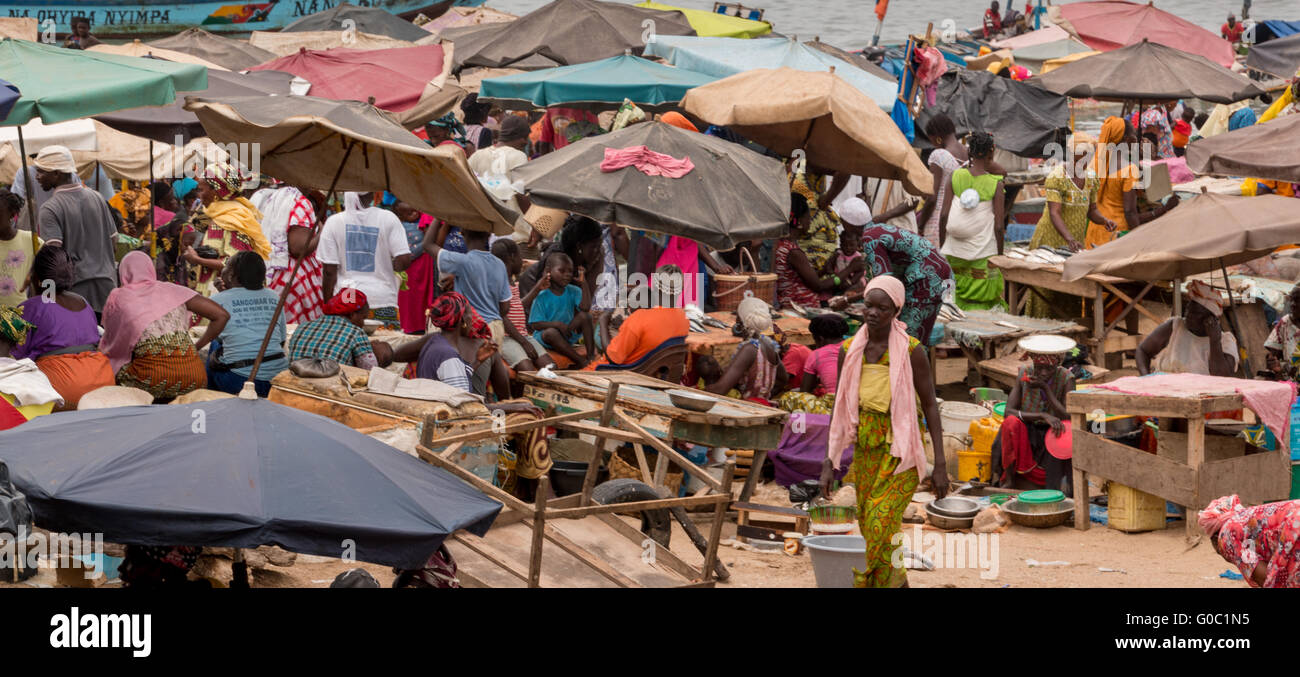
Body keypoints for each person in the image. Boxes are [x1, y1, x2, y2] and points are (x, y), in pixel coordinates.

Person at [822, 276, 947, 588]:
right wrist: (829, 462)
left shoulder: (911, 351)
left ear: (896, 311)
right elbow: (838, 408)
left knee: (879, 522)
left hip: (901, 450)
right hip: (867, 448)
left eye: (883, 307)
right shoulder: (849, 350)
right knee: (873, 526)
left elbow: (930, 405)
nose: (873, 312)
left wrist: (940, 464)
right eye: (869, 305)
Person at [99, 251, 229, 402]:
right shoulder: (173, 290)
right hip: (194, 376)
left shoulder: (119, 297)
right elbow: (222, 315)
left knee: (111, 374)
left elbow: (113, 346)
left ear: (123, 273)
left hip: (151, 379)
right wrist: (196, 347)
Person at [834, 199, 953, 345]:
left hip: (926, 278)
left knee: (908, 339)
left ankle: (911, 365)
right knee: (920, 333)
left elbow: (884, 284)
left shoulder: (869, 238)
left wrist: (847, 300)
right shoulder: (878, 229)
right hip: (941, 275)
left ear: (848, 223)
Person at [10, 246, 114, 410]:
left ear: (36, 277)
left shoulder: (29, 308)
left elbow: (11, 357)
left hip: (64, 389)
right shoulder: (83, 303)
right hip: (103, 382)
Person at [34, 145, 119, 316]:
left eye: (41, 172)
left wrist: (47, 298)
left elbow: (54, 261)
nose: (37, 177)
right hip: (108, 290)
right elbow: (114, 242)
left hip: (74, 296)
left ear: (56, 173)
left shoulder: (50, 208)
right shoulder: (97, 197)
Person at [991, 336, 1076, 494]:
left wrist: (1046, 389)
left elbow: (1069, 416)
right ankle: (1009, 480)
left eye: (1048, 369)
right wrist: (1042, 415)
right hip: (1029, 427)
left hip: (1055, 429)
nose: (1043, 372)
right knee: (1010, 423)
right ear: (1034, 363)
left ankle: (1057, 487)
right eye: (1039, 367)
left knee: (1068, 434)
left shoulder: (1066, 378)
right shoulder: (1024, 373)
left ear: (1057, 365)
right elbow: (1008, 411)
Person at [318, 191, 411, 330]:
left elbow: (329, 271)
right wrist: (386, 263)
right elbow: (403, 261)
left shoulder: (334, 222)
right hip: (382, 298)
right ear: (371, 195)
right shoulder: (389, 218)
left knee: (349, 348)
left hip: (347, 301)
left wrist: (328, 305)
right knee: (387, 346)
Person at [1086, 117, 1178, 249]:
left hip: (1095, 229)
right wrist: (1164, 209)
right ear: (1126, 139)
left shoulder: (1096, 164)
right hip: (1117, 233)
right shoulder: (1129, 169)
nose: (1136, 139)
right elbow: (1130, 212)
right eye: (1134, 135)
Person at [207, 252, 288, 397]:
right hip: (276, 377)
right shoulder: (273, 296)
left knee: (215, 345)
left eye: (226, 267)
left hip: (240, 379)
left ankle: (211, 395)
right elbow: (281, 341)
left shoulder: (217, 299)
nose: (222, 271)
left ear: (231, 276)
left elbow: (219, 335)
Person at [185, 163, 272, 298]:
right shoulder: (216, 215)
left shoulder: (233, 219)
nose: (199, 195)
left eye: (201, 190)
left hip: (227, 295)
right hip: (212, 292)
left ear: (215, 191)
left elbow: (238, 263)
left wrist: (197, 259)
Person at [940, 132, 1005, 310]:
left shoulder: (954, 177)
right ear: (991, 152)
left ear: (970, 151)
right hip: (982, 254)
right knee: (983, 305)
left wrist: (942, 246)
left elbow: (944, 215)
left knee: (951, 302)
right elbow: (999, 227)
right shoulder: (996, 183)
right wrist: (999, 256)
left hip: (953, 252)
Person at [586, 264, 690, 369]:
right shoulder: (684, 319)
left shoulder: (639, 318)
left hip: (622, 375)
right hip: (654, 375)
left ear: (654, 286)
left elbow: (613, 357)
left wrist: (603, 321)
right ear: (680, 289)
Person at [423, 226, 511, 344]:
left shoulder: (462, 261)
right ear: (489, 235)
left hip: (473, 330)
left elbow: (427, 245)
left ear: (462, 233)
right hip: (496, 329)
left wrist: (438, 218)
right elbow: (505, 308)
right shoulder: (500, 264)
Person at [251, 183, 323, 325]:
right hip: (293, 279)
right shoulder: (300, 202)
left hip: (267, 273)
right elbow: (298, 249)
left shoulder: (265, 197)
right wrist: (322, 232)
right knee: (296, 334)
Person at [1137, 280, 1238, 377]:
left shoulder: (1226, 341)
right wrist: (1146, 378)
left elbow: (1222, 377)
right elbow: (1142, 351)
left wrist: (1215, 341)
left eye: (1196, 313)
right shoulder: (1175, 326)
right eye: (1188, 310)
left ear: (1211, 318)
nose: (1188, 316)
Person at [1031, 139, 1113, 254]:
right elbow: (1054, 212)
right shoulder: (1057, 177)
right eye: (1076, 161)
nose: (1080, 165)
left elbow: (1092, 210)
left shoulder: (1091, 177)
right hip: (1052, 238)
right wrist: (1069, 238)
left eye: (1085, 162)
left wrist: (1105, 221)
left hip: (1075, 240)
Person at [1200, 494, 1300, 588]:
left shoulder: (1226, 535)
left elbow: (1261, 576)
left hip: (1295, 526)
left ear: (1214, 538)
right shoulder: (1248, 517)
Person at [704, 296, 787, 403]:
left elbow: (720, 390)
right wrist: (762, 397)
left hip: (748, 408)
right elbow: (782, 379)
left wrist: (708, 380)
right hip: (763, 406)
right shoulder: (770, 345)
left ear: (739, 321)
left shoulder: (750, 349)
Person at [468, 115, 533, 243]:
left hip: (485, 235)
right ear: (521, 138)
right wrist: (535, 225)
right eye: (526, 139)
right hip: (515, 236)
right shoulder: (518, 156)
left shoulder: (477, 156)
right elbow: (521, 195)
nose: (526, 143)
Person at [491, 238, 553, 372]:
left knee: (550, 367)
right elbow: (502, 316)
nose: (523, 262)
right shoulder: (497, 283)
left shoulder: (512, 282)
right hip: (506, 338)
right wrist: (524, 343)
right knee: (527, 369)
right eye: (521, 257)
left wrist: (537, 289)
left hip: (522, 335)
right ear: (512, 258)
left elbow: (517, 306)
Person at [525, 253, 595, 368]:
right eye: (562, 271)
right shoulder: (542, 295)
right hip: (547, 338)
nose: (567, 275)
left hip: (566, 333)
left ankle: (591, 356)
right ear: (549, 270)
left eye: (570, 271)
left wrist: (584, 283)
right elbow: (535, 324)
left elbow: (585, 308)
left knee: (585, 316)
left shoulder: (574, 290)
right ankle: (581, 361)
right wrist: (557, 325)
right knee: (551, 332)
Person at [288, 289, 387, 369]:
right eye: (363, 318)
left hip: (293, 384)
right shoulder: (356, 333)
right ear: (352, 315)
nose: (363, 323)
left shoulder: (303, 326)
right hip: (329, 388)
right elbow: (370, 370)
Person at [775, 193, 843, 309]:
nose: (810, 220)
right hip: (800, 310)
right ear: (799, 223)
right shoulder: (794, 252)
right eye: (808, 216)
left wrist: (823, 271)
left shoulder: (779, 245)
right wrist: (847, 271)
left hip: (790, 306)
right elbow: (818, 286)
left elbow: (800, 279)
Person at [915, 114, 968, 252]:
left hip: (937, 223)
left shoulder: (938, 155)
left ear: (937, 137)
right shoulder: (968, 153)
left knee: (935, 267)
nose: (932, 144)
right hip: (960, 218)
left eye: (931, 140)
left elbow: (932, 198)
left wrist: (920, 226)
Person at [776, 314, 847, 414]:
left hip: (834, 404)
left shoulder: (816, 354)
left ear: (820, 339)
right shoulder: (851, 346)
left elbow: (805, 390)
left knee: (788, 398)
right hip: (854, 401)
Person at [0, 189, 37, 307]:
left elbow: (51, 274)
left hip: (20, 315)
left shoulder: (31, 241)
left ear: (12, 213)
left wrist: (48, 303)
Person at [1264, 283, 1300, 381]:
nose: (1292, 304)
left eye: (1297, 300)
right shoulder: (1285, 323)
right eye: (1292, 299)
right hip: (1291, 385)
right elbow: (1273, 357)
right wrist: (1273, 364)